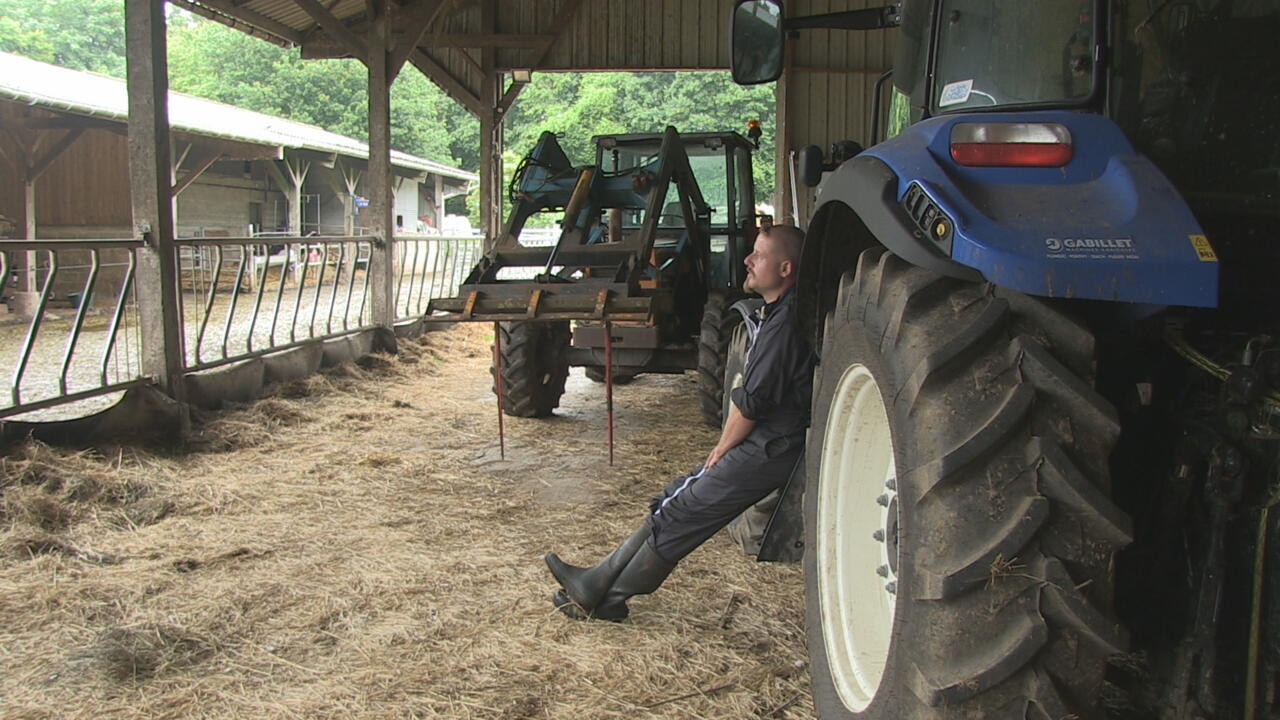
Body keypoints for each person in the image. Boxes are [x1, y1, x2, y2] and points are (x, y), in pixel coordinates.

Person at [543, 224, 813, 621]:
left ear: (785, 269)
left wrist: (722, 448)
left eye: (759, 254)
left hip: (771, 444)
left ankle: (604, 593)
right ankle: (598, 586)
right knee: (676, 498)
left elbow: (752, 403)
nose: (747, 260)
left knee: (683, 508)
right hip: (769, 441)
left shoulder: (785, 323)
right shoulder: (778, 314)